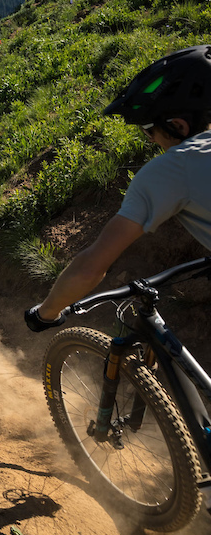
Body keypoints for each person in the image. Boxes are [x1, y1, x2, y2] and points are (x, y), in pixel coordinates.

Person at [26, 44, 211, 332]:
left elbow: (91, 266)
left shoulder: (173, 168)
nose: (149, 139)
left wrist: (46, 313)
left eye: (148, 128)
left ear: (178, 126)